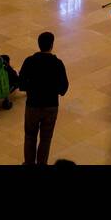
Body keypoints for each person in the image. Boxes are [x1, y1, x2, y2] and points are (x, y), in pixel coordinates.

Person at [18, 31, 69, 166]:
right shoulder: (57, 63)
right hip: (51, 106)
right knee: (46, 138)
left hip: (32, 105)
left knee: (30, 136)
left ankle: (29, 163)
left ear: (39, 44)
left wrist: (30, 88)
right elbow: (64, 88)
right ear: (51, 45)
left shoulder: (30, 61)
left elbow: (21, 84)